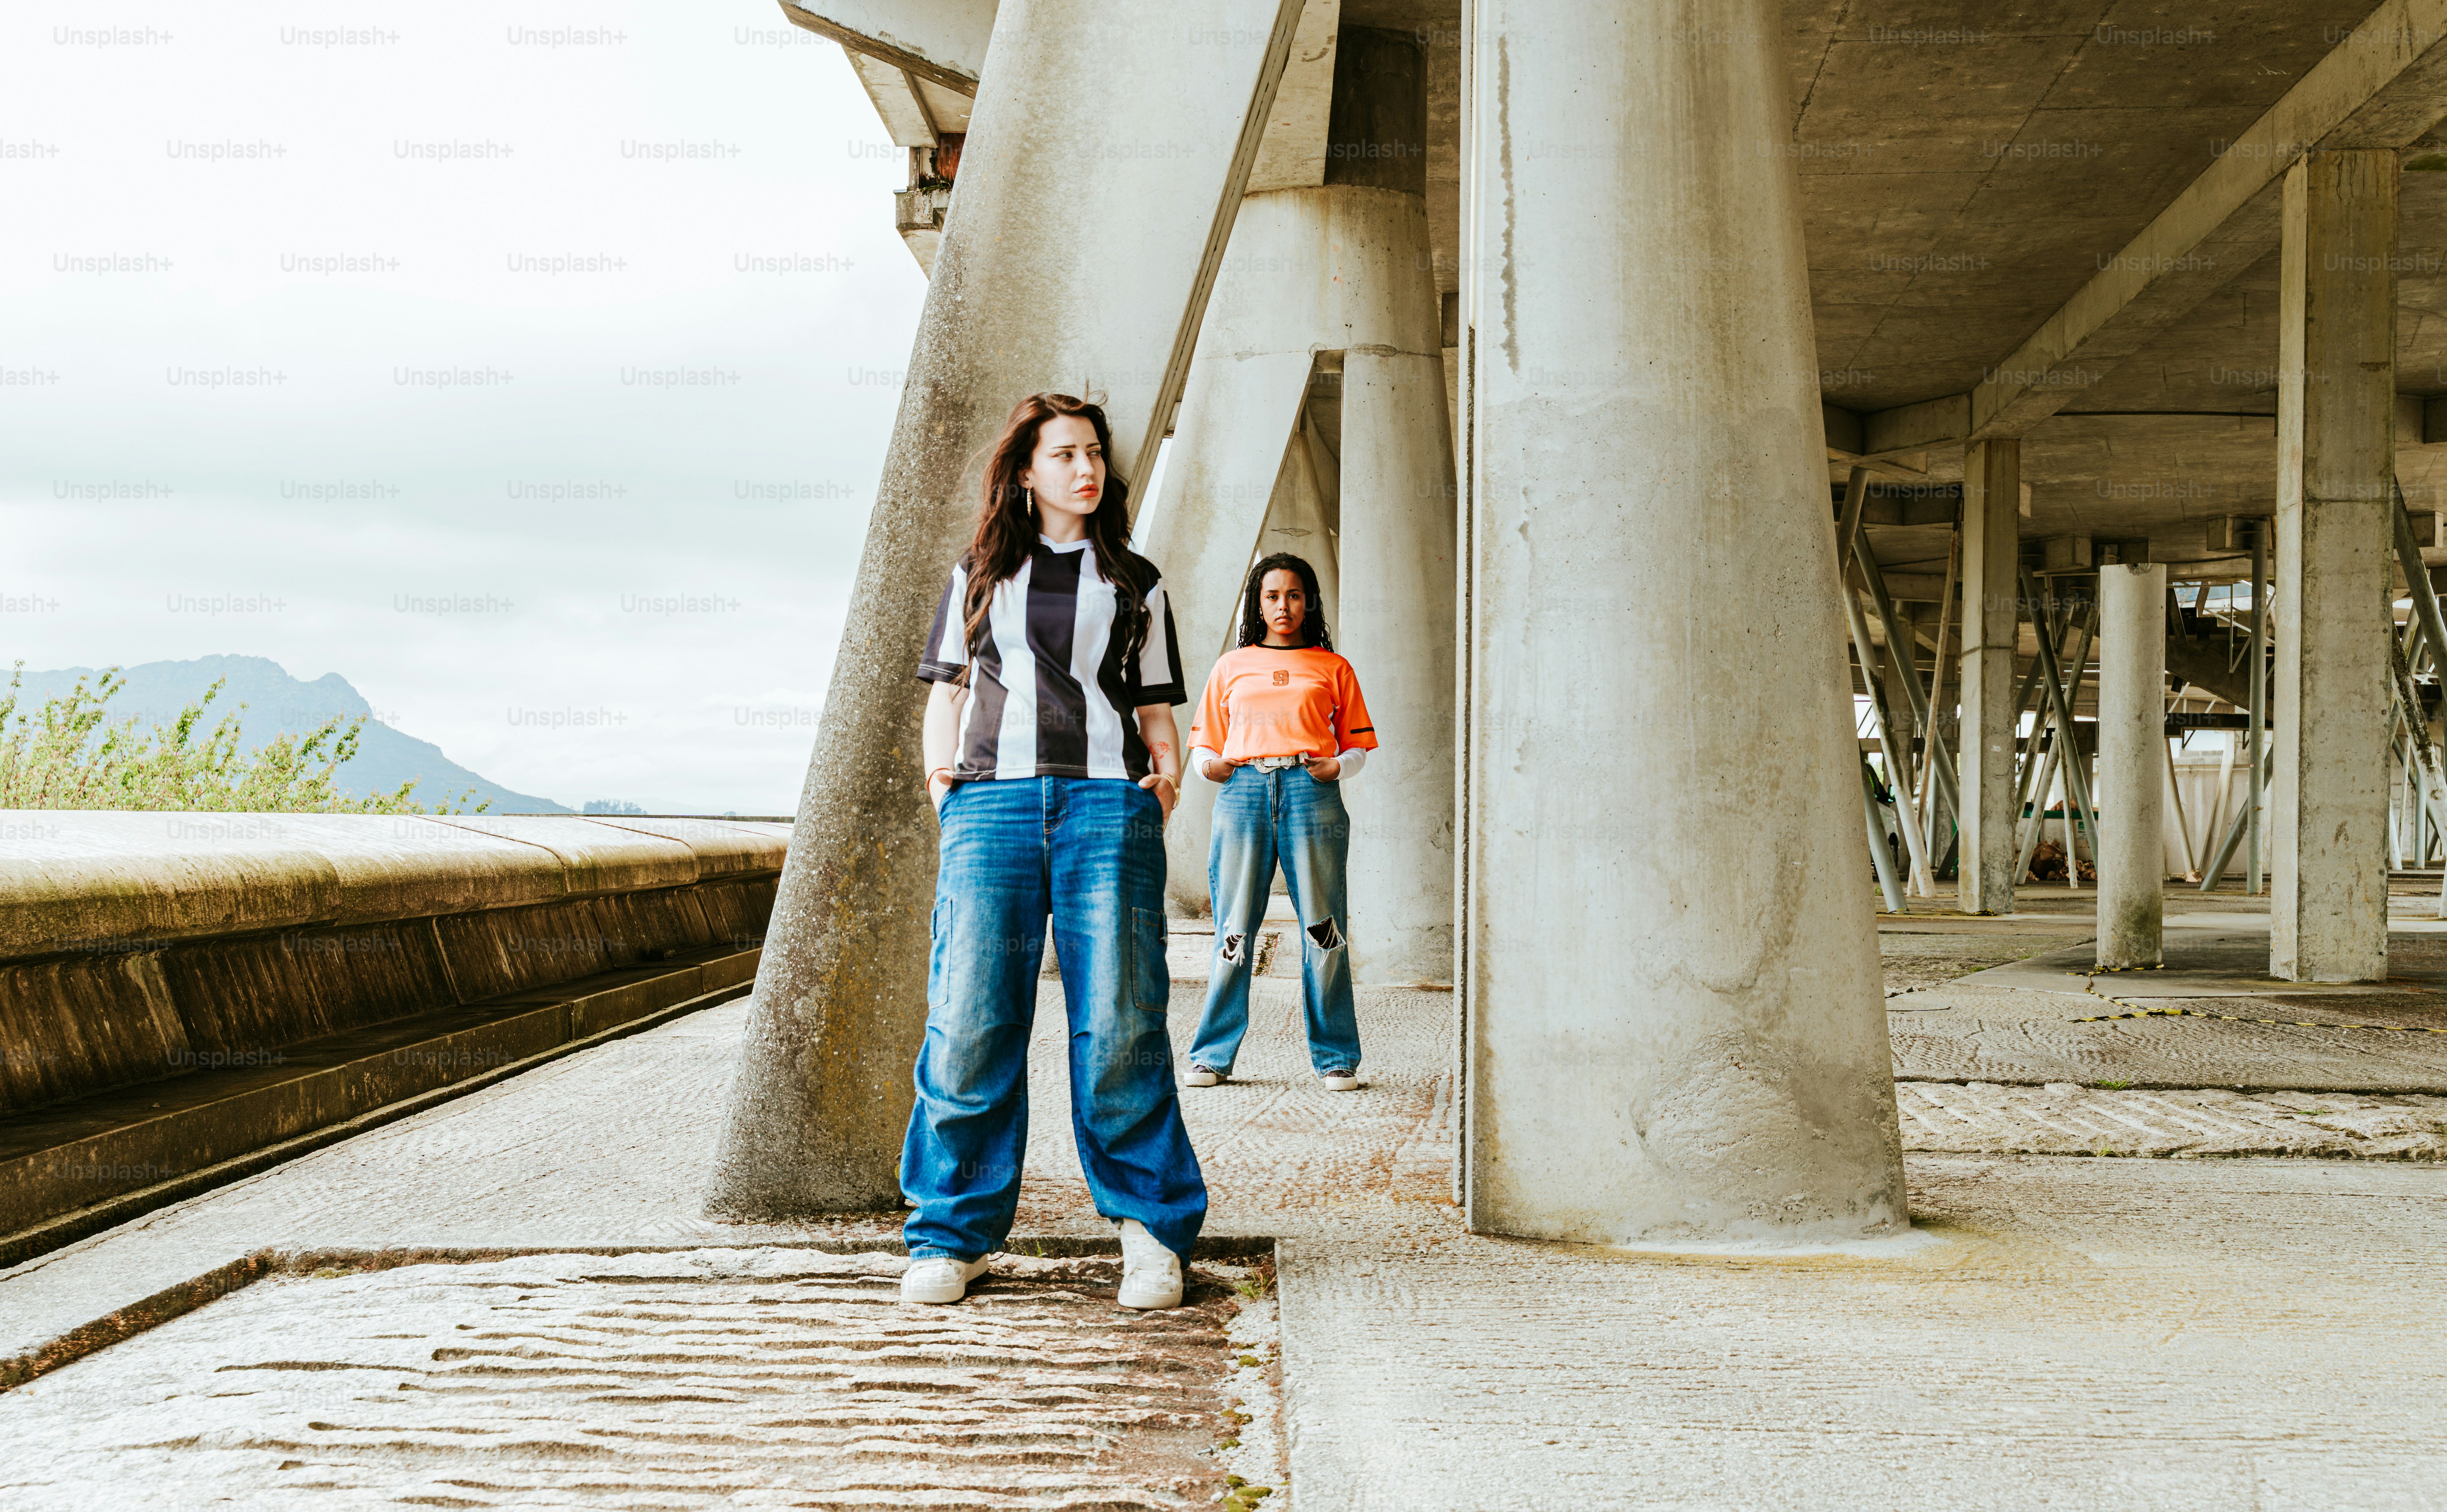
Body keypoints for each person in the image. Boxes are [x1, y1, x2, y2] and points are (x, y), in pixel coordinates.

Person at [901, 391, 1204, 1310]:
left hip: (1108, 808)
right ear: (1026, 473)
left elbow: (1155, 705)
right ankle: (951, 1233)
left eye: (1094, 454)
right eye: (1065, 454)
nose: (1086, 469)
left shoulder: (1136, 581)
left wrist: (1163, 782)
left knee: (1121, 1021)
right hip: (989, 808)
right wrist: (945, 788)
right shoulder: (980, 573)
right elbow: (949, 690)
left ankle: (1151, 1230)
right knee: (970, 1019)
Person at [1181, 552, 1378, 1092]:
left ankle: (1336, 1058)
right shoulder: (1231, 665)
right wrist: (1209, 767)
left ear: (1308, 602)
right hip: (1242, 792)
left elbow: (1357, 745)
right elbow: (1204, 743)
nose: (1283, 606)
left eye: (1293, 595)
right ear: (1258, 603)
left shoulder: (1334, 668)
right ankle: (1211, 1056)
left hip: (1310, 793)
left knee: (1323, 927)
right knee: (1233, 927)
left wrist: (1337, 767)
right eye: (1272, 596)